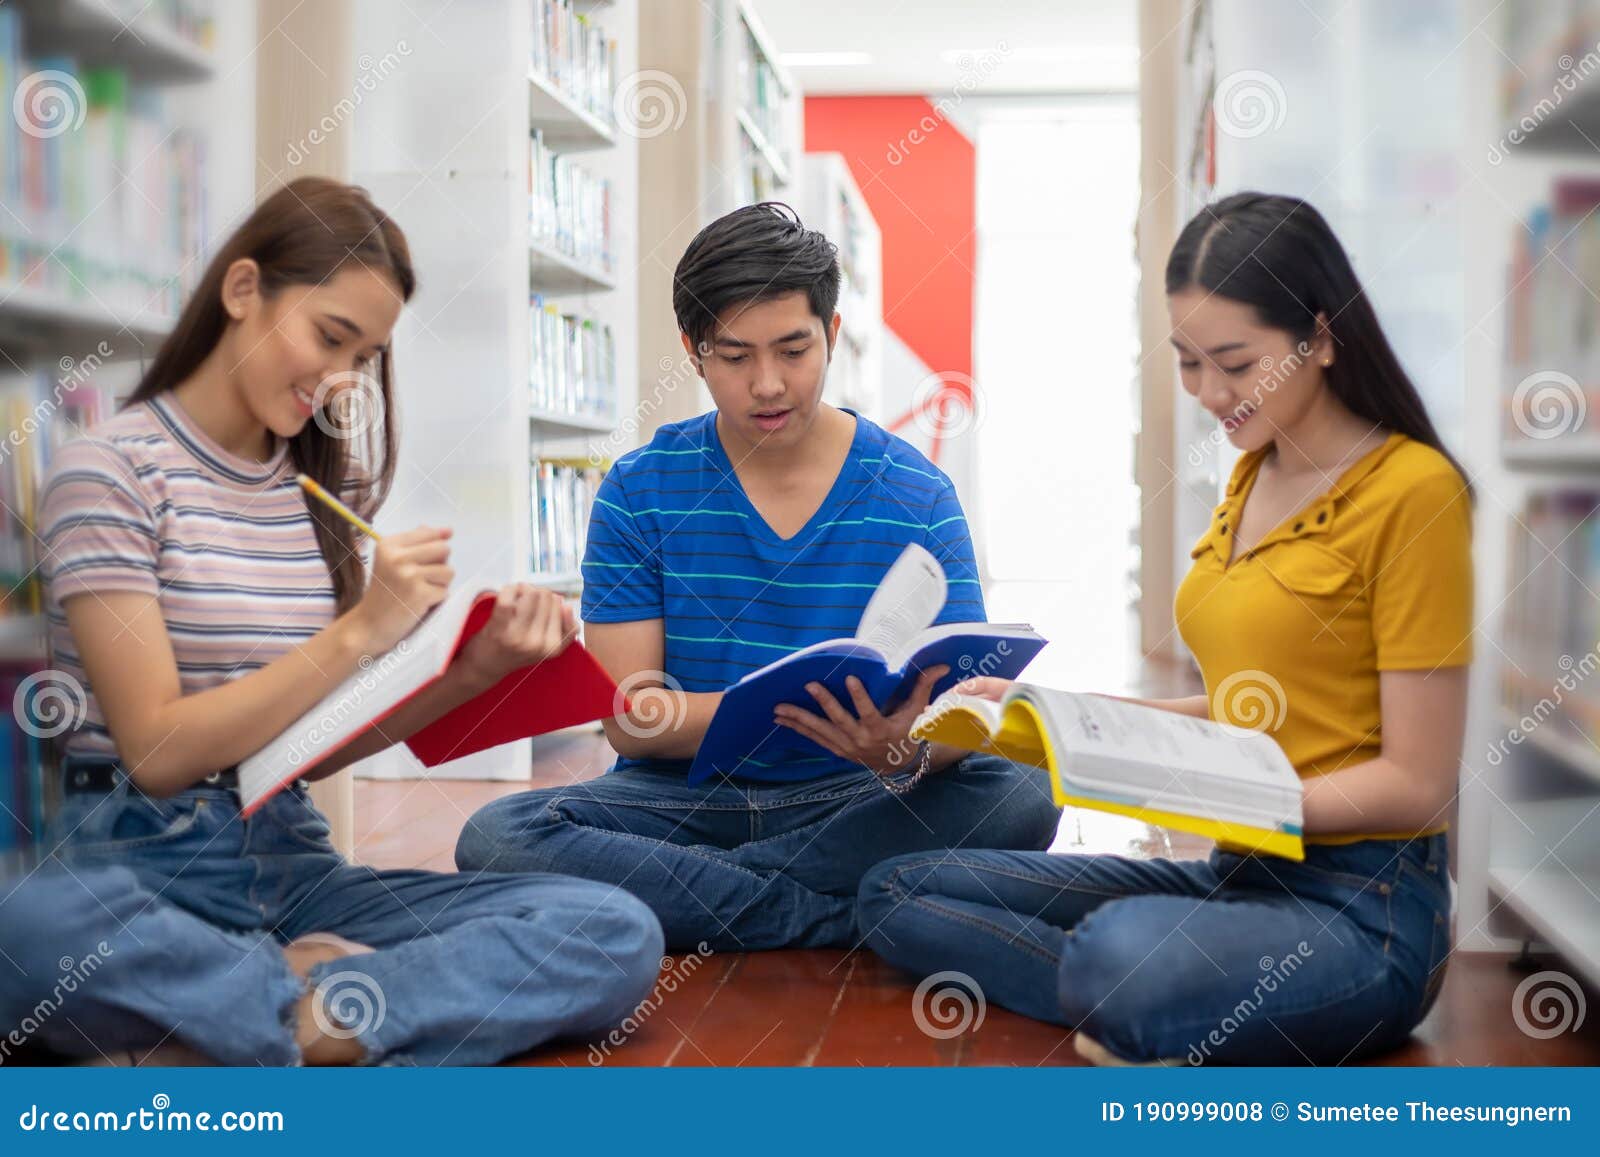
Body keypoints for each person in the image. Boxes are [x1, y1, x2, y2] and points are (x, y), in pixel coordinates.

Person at [0, 177, 661, 1067]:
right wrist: (359, 633)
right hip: (141, 864)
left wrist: (473, 670)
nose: (341, 379)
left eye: (367, 356)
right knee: (26, 926)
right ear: (243, 291)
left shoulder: (317, 492)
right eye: (330, 337)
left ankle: (253, 1020)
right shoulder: (107, 472)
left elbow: (299, 749)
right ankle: (302, 1008)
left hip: (291, 861)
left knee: (611, 926)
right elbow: (158, 751)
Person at [858, 192, 1470, 1066]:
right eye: (1188, 363)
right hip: (1239, 876)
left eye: (1235, 361)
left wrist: (1245, 799)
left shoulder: (1414, 493)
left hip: (1364, 909)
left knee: (1119, 950)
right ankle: (1144, 999)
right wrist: (1041, 712)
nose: (1212, 393)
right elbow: (1233, 710)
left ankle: (1139, 988)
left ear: (1322, 335)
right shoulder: (1252, 475)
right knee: (901, 888)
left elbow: (1418, 783)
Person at [456, 203, 1057, 951]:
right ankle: (834, 910)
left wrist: (897, 747)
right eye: (734, 356)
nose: (767, 384)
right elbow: (630, 720)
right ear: (694, 350)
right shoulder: (641, 488)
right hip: (680, 799)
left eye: (793, 350)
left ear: (832, 335)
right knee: (500, 833)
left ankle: (707, 896)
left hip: (856, 797)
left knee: (1025, 792)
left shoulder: (918, 492)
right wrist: (783, 711)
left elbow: (958, 718)